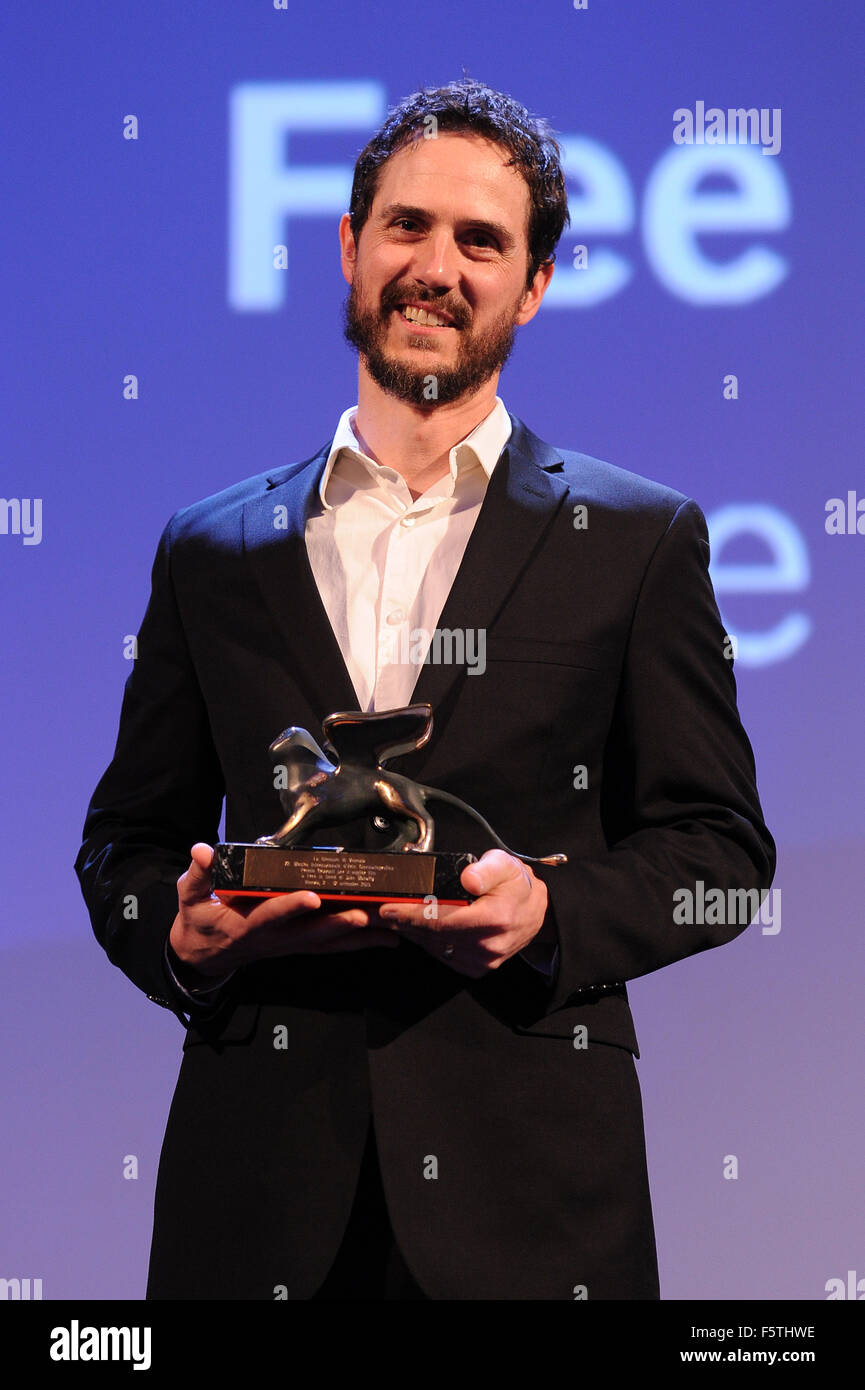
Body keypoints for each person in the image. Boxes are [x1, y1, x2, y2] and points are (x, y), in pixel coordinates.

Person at [75, 79, 775, 1301]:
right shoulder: (210, 546)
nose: (435, 267)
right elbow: (123, 846)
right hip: (256, 1194)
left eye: (481, 241)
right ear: (350, 247)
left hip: (535, 1200)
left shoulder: (637, 538)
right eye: (405, 227)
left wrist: (546, 919)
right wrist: (182, 939)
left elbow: (720, 855)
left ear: (536, 282)